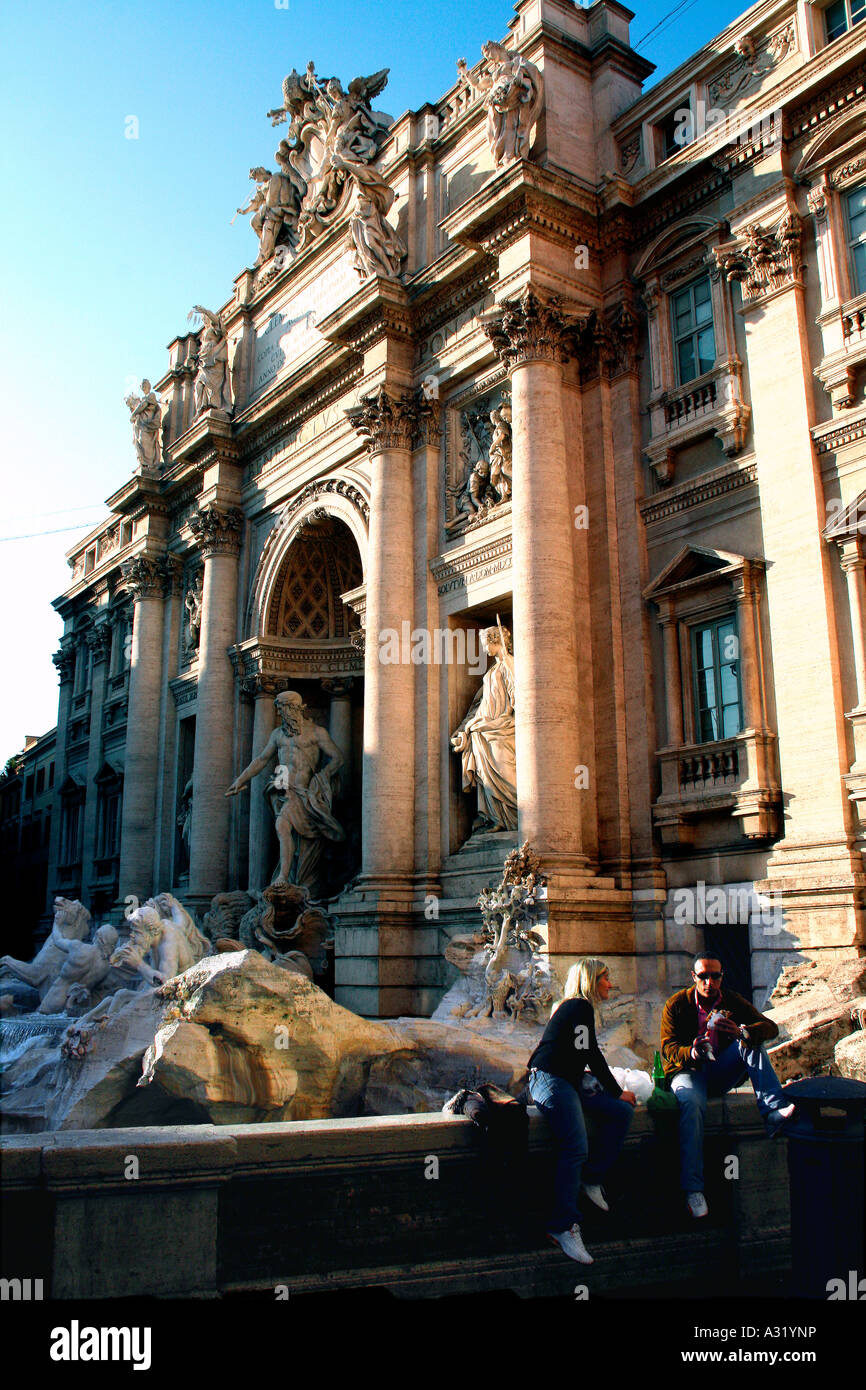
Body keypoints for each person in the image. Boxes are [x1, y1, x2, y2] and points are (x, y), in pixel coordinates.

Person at [660, 955, 796, 1219]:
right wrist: (692, 1052)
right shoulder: (677, 1004)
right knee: (691, 1105)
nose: (710, 982)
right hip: (688, 1072)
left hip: (720, 1071)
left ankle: (773, 1111)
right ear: (693, 977)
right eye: (703, 977)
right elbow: (668, 1048)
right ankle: (693, 1189)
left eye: (715, 976)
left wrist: (742, 1032)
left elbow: (770, 1027)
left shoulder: (731, 1000)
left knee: (751, 1044)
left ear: (722, 977)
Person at [527, 958, 636, 1264]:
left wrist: (608, 1092)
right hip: (549, 1080)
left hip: (568, 1082)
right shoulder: (579, 1006)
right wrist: (617, 1091)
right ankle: (562, 1226)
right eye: (604, 977)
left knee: (620, 1113)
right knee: (575, 1146)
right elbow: (591, 1052)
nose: (610, 984)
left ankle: (591, 1178)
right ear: (590, 980)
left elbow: (583, 1053)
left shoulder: (574, 1009)